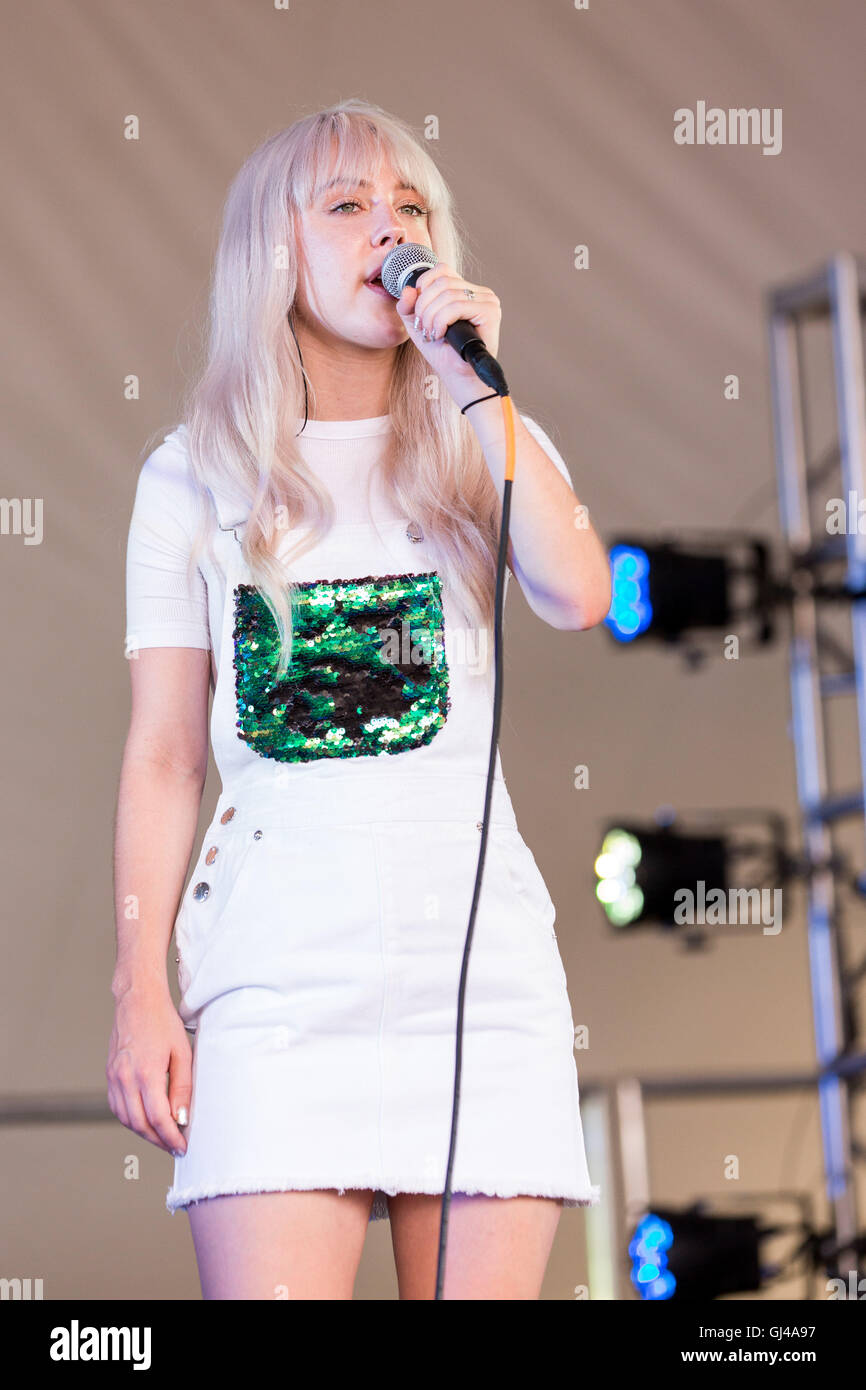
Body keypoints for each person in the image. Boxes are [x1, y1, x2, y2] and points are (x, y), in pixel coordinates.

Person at [107, 98, 610, 1301]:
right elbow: (166, 755)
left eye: (409, 207)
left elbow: (578, 590)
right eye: (346, 206)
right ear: (270, 252)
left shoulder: (482, 436)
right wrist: (138, 991)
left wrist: (475, 387)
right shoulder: (192, 472)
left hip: (475, 982)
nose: (388, 231)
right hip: (277, 978)